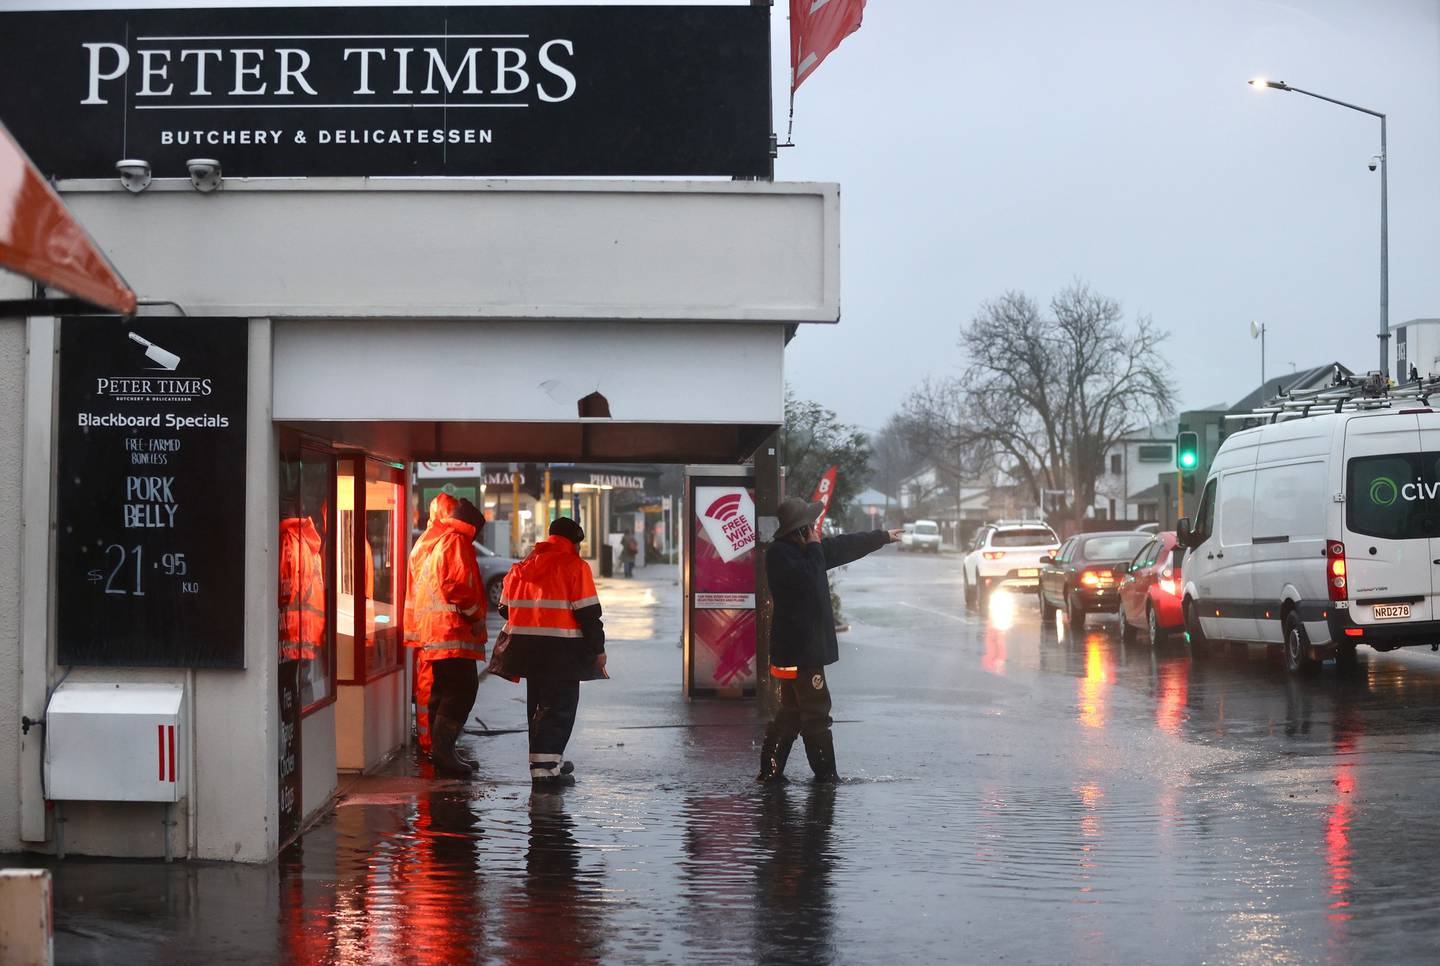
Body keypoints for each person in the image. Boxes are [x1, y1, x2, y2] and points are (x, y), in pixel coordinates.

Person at [757, 497, 901, 783]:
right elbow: (809, 577)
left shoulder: (808, 552)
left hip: (795, 653)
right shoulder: (781, 555)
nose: (815, 531)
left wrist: (882, 537)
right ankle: (826, 776)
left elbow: (842, 547)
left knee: (793, 712)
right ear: (800, 531)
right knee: (816, 712)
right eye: (810, 526)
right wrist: (813, 547)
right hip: (800, 654)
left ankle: (770, 771)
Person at [490, 517, 607, 789]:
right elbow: (589, 615)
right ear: (574, 542)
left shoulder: (521, 567)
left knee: (538, 708)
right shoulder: (575, 567)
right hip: (562, 652)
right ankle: (544, 773)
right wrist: (598, 650)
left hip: (526, 651)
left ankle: (549, 762)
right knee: (559, 709)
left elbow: (504, 608)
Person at [405, 493, 488, 776]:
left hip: (434, 632)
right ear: (472, 527)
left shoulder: (436, 542)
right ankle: (443, 751)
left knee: (442, 689)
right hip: (451, 631)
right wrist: (476, 617)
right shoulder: (457, 542)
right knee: (464, 689)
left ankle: (443, 751)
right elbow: (455, 586)